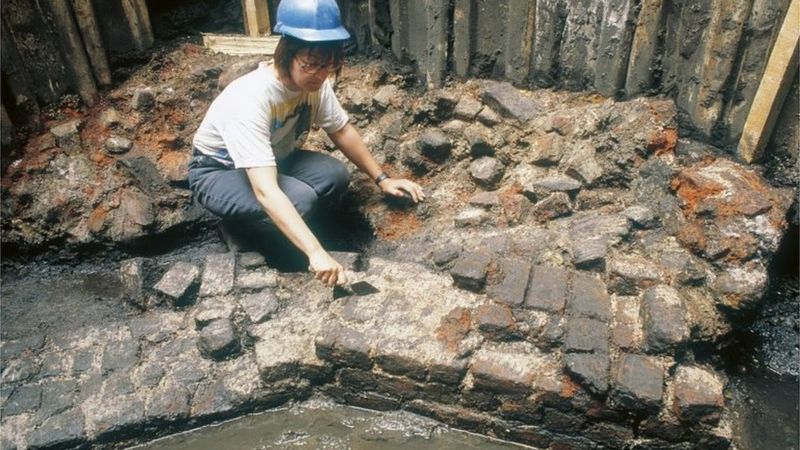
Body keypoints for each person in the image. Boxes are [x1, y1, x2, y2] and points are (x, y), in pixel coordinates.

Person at [188, 0, 424, 287]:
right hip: (217, 171)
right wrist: (315, 252)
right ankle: (243, 231)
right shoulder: (251, 98)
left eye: (328, 65)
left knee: (334, 175)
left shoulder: (315, 83)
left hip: (276, 158)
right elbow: (265, 190)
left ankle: (290, 228)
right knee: (300, 199)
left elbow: (341, 130)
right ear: (286, 54)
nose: (320, 74)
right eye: (310, 64)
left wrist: (382, 178)